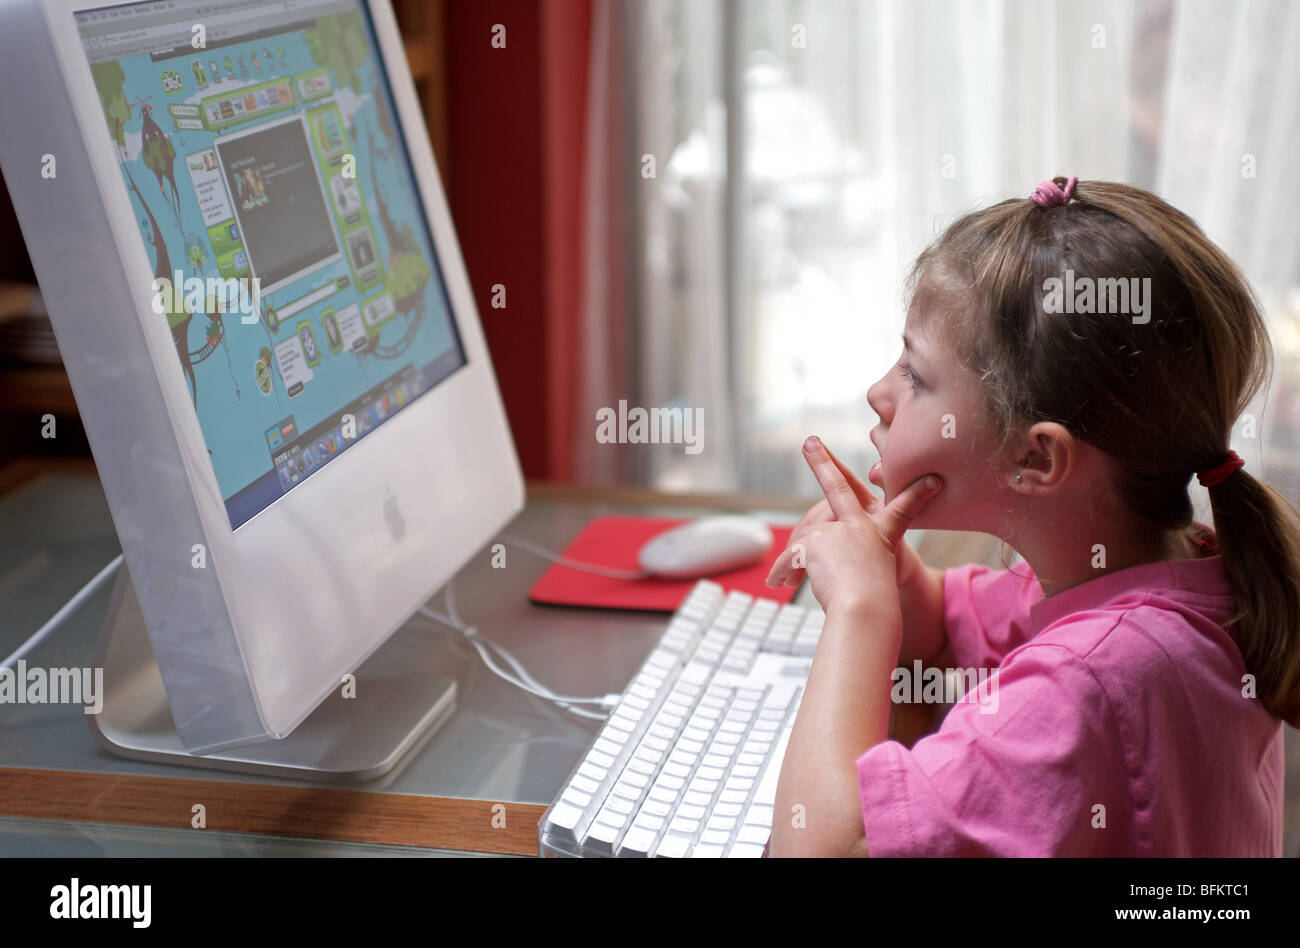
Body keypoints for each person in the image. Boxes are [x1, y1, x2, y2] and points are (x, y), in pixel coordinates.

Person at [765, 177, 1298, 857]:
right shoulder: (1155, 572)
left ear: (1037, 459)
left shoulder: (1094, 681)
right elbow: (942, 631)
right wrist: (893, 573)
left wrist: (860, 609)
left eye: (917, 377)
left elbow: (819, 851)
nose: (879, 393)